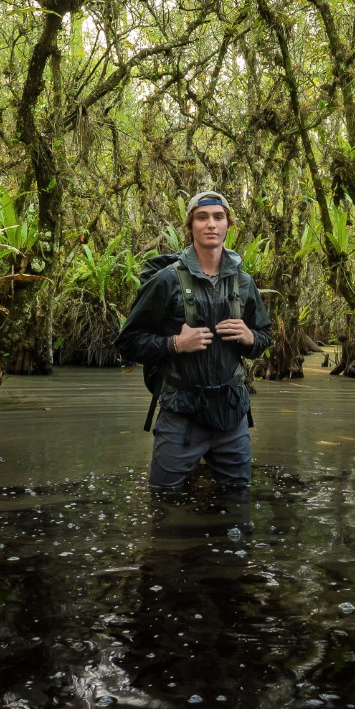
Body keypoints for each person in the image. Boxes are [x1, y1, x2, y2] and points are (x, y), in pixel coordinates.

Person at [116, 191, 272, 489]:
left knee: (237, 499)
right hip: (180, 413)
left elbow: (265, 337)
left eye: (218, 217)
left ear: (228, 225)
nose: (211, 224)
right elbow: (127, 341)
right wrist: (174, 344)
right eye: (202, 217)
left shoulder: (244, 282)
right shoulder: (167, 280)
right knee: (163, 500)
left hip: (231, 413)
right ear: (190, 227)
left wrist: (250, 337)